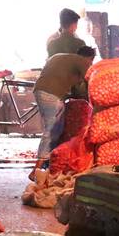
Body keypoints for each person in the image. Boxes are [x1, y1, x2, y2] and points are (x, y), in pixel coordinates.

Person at [32, 45, 96, 176]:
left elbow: (71, 86)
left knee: (56, 129)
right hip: (52, 95)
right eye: (91, 61)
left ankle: (50, 165)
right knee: (52, 131)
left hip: (39, 91)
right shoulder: (82, 61)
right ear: (89, 58)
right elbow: (91, 81)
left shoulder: (60, 57)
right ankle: (36, 169)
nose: (90, 64)